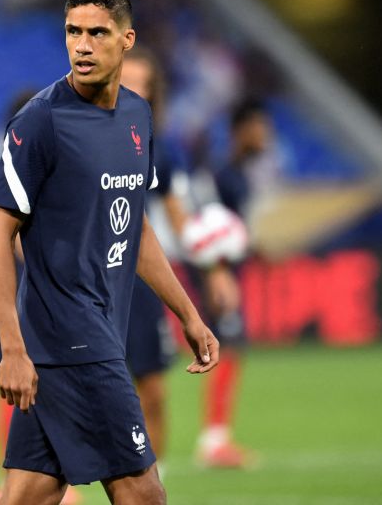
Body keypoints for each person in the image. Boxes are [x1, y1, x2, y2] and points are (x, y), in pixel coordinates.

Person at [0, 0, 218, 505]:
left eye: (97, 32)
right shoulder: (40, 122)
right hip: (72, 338)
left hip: (94, 331)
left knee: (30, 494)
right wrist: (12, 349)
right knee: (143, 491)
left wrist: (188, 313)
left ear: (126, 40)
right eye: (72, 32)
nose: (82, 45)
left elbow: (135, 229)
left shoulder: (137, 116)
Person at [0, 90, 84, 505]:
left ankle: (30, 481)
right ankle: (24, 481)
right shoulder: (45, 170)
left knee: (24, 383)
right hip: (24, 294)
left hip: (27, 294)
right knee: (21, 381)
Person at [123, 46, 243, 470]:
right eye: (125, 80)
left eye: (143, 85)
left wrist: (213, 271)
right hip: (86, 280)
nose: (132, 91)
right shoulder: (73, 135)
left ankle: (143, 489)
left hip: (139, 285)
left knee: (152, 392)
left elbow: (179, 221)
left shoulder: (159, 149)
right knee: (72, 391)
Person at [194, 99, 272, 468]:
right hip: (219, 274)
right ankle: (214, 442)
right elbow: (207, 226)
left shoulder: (238, 174)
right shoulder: (223, 175)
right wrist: (217, 273)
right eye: (259, 127)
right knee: (227, 349)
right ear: (241, 131)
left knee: (233, 350)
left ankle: (217, 437)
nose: (265, 135)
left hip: (228, 271)